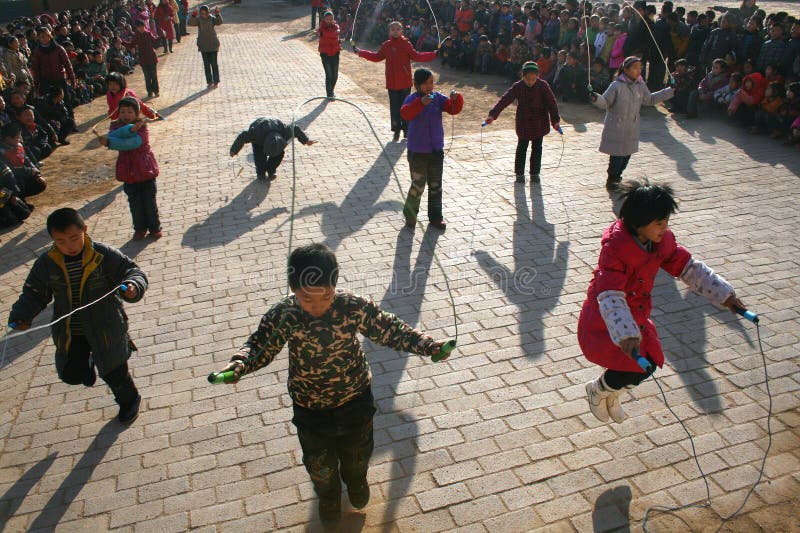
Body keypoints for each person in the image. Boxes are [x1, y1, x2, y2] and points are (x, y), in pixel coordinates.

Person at [213, 243, 450, 528]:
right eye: (306, 298)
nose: (316, 305)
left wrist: (427, 345)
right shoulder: (285, 314)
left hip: (355, 399)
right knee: (319, 464)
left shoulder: (351, 305)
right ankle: (328, 498)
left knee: (357, 455)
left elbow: (390, 329)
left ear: (334, 286)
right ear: (292, 288)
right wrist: (239, 363)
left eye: (324, 296)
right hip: (309, 406)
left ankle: (357, 481)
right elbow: (260, 345)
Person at [578, 180, 746, 424]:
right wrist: (625, 333)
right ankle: (599, 390)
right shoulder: (615, 250)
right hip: (608, 320)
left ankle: (608, 392)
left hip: (635, 318)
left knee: (647, 366)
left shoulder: (661, 243)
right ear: (638, 224)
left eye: (666, 222)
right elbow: (611, 295)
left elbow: (689, 268)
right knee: (630, 367)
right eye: (658, 223)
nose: (663, 228)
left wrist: (725, 296)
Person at [9, 208, 148, 425]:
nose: (69, 246)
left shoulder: (102, 255)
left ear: (84, 230)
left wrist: (132, 287)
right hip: (72, 330)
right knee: (71, 374)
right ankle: (88, 361)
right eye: (61, 241)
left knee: (114, 371)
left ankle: (130, 401)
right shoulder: (47, 263)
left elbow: (133, 271)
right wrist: (22, 315)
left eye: (74, 238)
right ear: (53, 240)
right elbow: (33, 293)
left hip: (106, 327)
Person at [590, 56, 674, 190]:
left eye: (640, 67)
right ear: (626, 70)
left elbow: (650, 100)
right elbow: (605, 102)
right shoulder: (616, 85)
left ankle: (619, 175)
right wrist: (595, 97)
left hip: (632, 126)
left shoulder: (641, 85)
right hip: (616, 126)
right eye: (635, 67)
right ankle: (612, 178)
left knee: (626, 155)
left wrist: (669, 91)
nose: (639, 70)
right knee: (617, 155)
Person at [399, 68, 463, 230]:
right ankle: (410, 215)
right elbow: (405, 114)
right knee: (418, 185)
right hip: (418, 152)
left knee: (435, 185)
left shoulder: (437, 98)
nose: (429, 86)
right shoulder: (411, 99)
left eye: (431, 83)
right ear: (416, 85)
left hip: (436, 151)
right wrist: (420, 103)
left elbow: (452, 108)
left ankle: (436, 217)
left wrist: (456, 99)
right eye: (425, 83)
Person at [353, 21, 438, 142]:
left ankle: (407, 130)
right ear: (389, 32)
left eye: (398, 29)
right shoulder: (386, 45)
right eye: (393, 29)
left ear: (402, 31)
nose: (395, 31)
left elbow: (416, 56)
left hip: (404, 81)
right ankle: (396, 130)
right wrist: (361, 52)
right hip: (392, 82)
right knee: (394, 107)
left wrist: (432, 55)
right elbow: (377, 57)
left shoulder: (406, 44)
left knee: (406, 106)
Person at [485, 61, 560, 184]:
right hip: (523, 123)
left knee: (537, 149)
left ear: (537, 76)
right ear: (523, 76)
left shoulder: (543, 86)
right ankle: (519, 174)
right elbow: (505, 100)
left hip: (539, 123)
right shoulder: (518, 87)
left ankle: (535, 173)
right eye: (527, 79)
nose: (530, 81)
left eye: (533, 79)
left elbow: (552, 103)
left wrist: (555, 121)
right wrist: (493, 115)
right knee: (521, 149)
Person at [98, 97, 162, 240]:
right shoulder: (115, 127)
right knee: (135, 204)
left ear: (136, 113)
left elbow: (132, 143)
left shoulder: (142, 126)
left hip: (145, 170)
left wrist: (110, 142)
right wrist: (109, 139)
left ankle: (154, 227)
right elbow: (116, 135)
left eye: (129, 112)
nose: (126, 115)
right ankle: (139, 229)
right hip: (128, 173)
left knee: (149, 203)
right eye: (122, 112)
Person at [229, 117, 316, 181]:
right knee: (259, 156)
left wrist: (306, 141)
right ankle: (261, 172)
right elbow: (242, 136)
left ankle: (271, 170)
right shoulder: (255, 134)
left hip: (275, 131)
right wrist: (234, 150)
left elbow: (295, 128)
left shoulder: (284, 132)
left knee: (279, 155)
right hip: (259, 131)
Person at [188, 5, 223, 88]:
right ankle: (209, 81)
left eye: (205, 13)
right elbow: (190, 23)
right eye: (202, 13)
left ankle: (216, 81)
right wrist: (193, 15)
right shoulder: (199, 19)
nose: (203, 15)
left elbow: (219, 22)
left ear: (208, 12)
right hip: (203, 45)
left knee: (214, 64)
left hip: (213, 44)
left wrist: (217, 14)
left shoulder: (212, 18)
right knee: (206, 65)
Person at [125, 20, 160, 98]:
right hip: (143, 59)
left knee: (154, 76)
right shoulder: (136, 36)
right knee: (147, 77)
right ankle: (149, 92)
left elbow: (155, 41)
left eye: (142, 26)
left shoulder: (148, 34)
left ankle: (156, 91)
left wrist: (161, 36)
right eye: (139, 27)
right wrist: (123, 42)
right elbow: (131, 44)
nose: (141, 28)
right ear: (137, 28)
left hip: (152, 57)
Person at [317, 11, 341, 99]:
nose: (329, 21)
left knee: (335, 75)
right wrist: (332, 35)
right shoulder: (321, 29)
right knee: (329, 75)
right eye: (327, 19)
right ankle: (329, 94)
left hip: (335, 53)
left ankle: (331, 90)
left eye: (331, 19)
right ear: (324, 19)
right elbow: (325, 34)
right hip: (325, 54)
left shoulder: (336, 27)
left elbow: (336, 32)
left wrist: (331, 35)